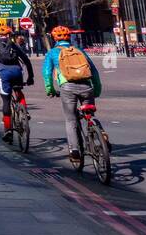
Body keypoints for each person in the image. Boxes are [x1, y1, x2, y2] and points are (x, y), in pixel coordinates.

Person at [43, 25, 103, 168]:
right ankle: (100, 132)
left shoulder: (52, 53)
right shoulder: (79, 51)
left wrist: (50, 90)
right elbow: (94, 72)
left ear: (54, 38)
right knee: (89, 112)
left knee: (71, 120)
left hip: (67, 87)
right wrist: (97, 90)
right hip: (86, 86)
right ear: (69, 38)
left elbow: (47, 74)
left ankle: (75, 150)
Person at [0, 22, 34, 143]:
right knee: (18, 90)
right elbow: (26, 61)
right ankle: (24, 111)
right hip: (17, 73)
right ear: (9, 35)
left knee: (6, 101)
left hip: (3, 75)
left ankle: (8, 130)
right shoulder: (14, 45)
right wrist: (30, 77)